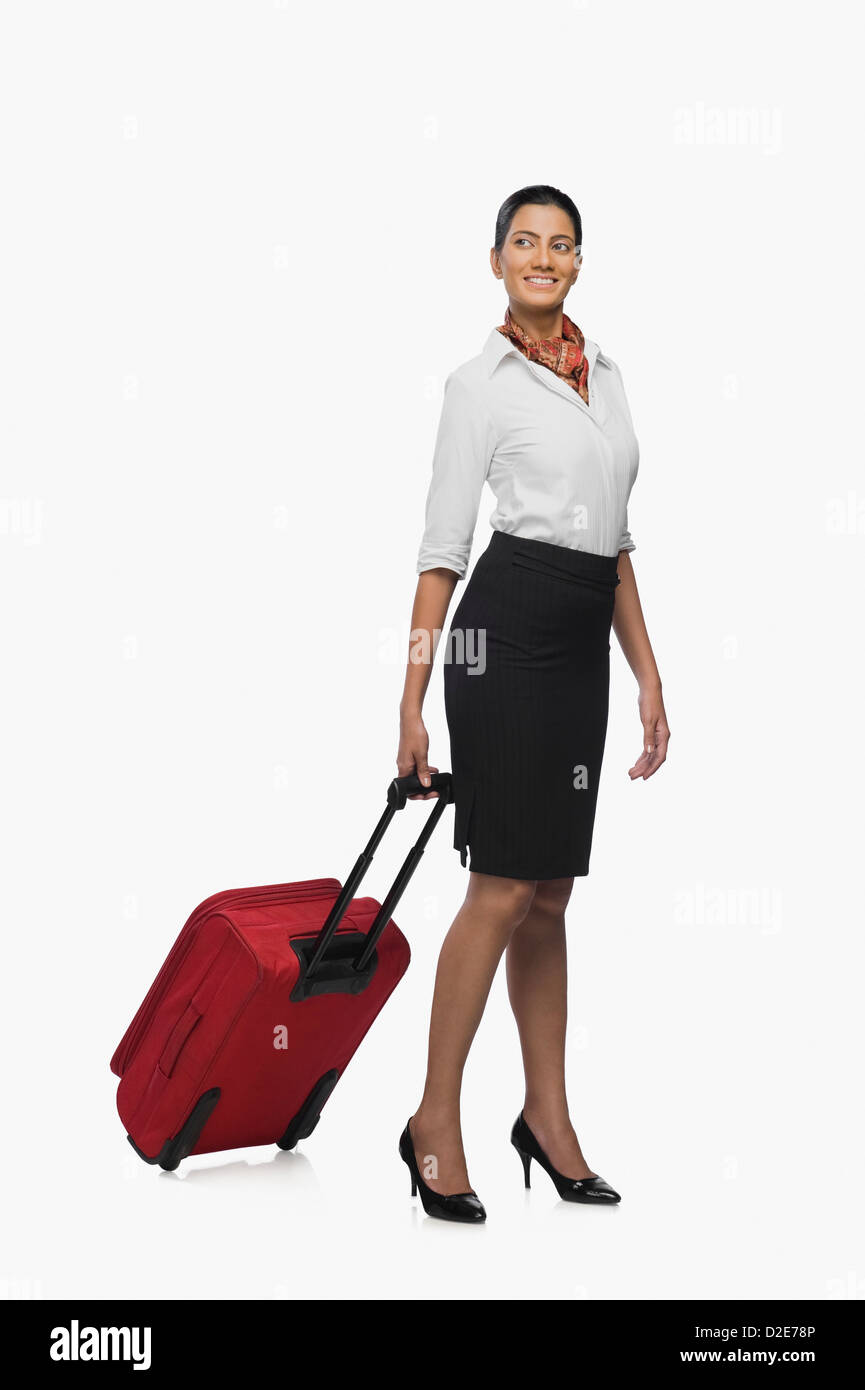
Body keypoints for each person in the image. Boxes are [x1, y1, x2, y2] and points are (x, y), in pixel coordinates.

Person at [396, 184, 670, 1222]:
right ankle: (433, 1118)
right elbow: (438, 555)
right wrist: (412, 700)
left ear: (578, 262)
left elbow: (615, 543)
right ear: (498, 259)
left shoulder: (607, 375)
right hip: (498, 635)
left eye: (561, 244)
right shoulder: (478, 386)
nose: (543, 258)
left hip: (578, 644)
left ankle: (546, 1119)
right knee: (502, 888)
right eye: (525, 242)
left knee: (552, 892)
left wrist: (646, 673)